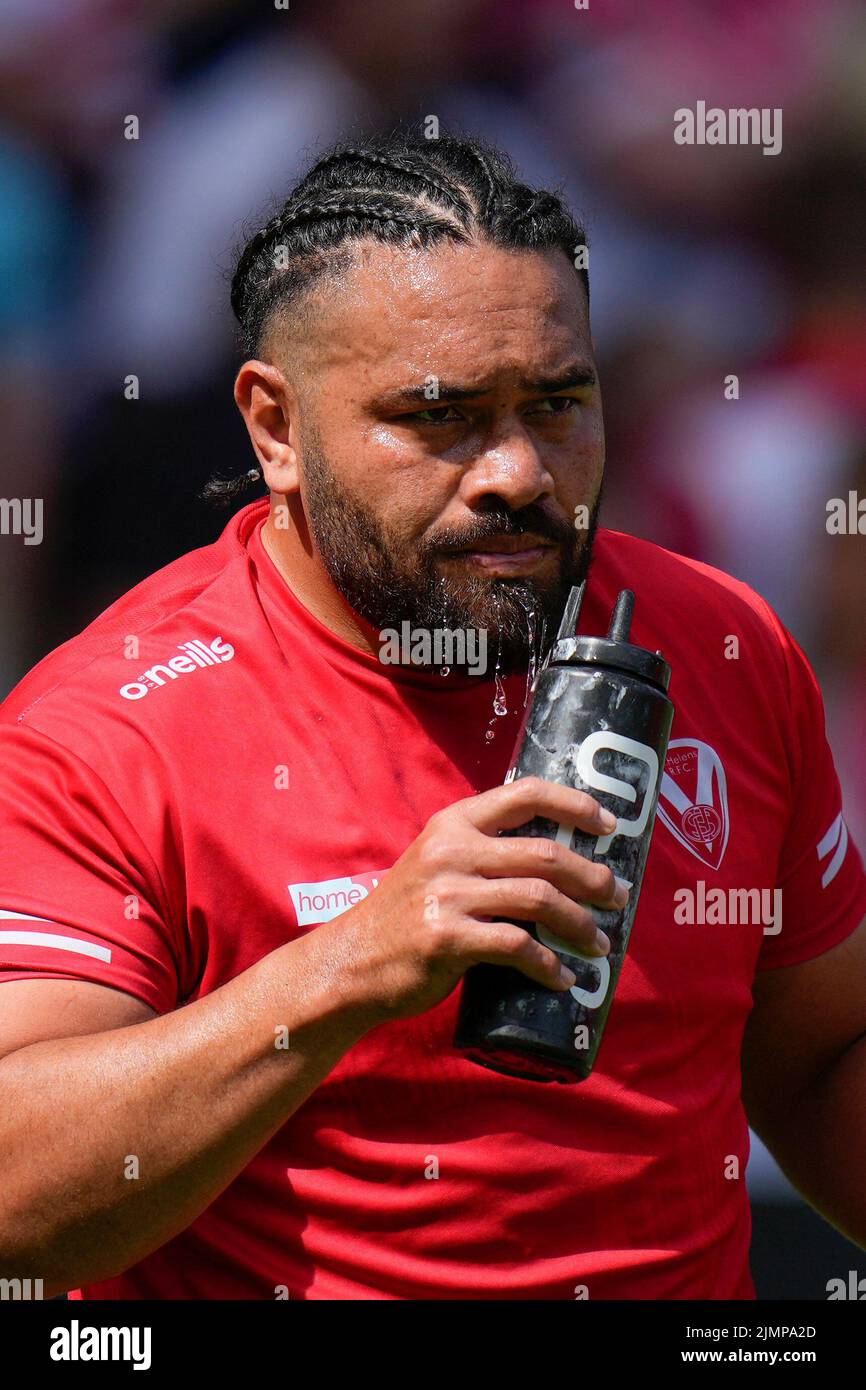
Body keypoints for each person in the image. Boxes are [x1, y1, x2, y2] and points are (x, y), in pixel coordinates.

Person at [1, 133, 864, 1301]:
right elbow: (15, 1201)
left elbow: (819, 1065)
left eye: (557, 404)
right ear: (275, 429)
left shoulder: (720, 644)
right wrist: (351, 966)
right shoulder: (108, 729)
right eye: (441, 417)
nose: (517, 468)